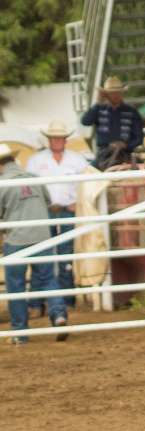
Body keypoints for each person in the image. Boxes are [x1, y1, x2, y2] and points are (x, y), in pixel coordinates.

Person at [1, 140, 68, 341]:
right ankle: (59, 315)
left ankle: (20, 332)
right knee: (48, 278)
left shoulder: (3, 184)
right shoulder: (34, 178)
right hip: (42, 236)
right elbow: (48, 203)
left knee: (16, 286)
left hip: (16, 239)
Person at [25, 122, 92, 305]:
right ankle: (40, 300)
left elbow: (87, 184)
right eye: (53, 138)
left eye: (59, 138)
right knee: (42, 254)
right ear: (48, 139)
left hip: (67, 211)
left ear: (65, 139)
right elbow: (28, 187)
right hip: (44, 211)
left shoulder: (77, 160)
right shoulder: (36, 160)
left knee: (66, 253)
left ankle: (66, 299)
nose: (56, 141)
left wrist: (77, 202)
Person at [80, 76, 144, 170]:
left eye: (118, 92)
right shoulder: (98, 109)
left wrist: (125, 145)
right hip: (103, 154)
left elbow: (139, 138)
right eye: (112, 93)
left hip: (126, 154)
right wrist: (98, 103)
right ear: (106, 94)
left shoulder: (131, 111)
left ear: (122, 93)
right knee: (89, 173)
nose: (115, 95)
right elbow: (85, 121)